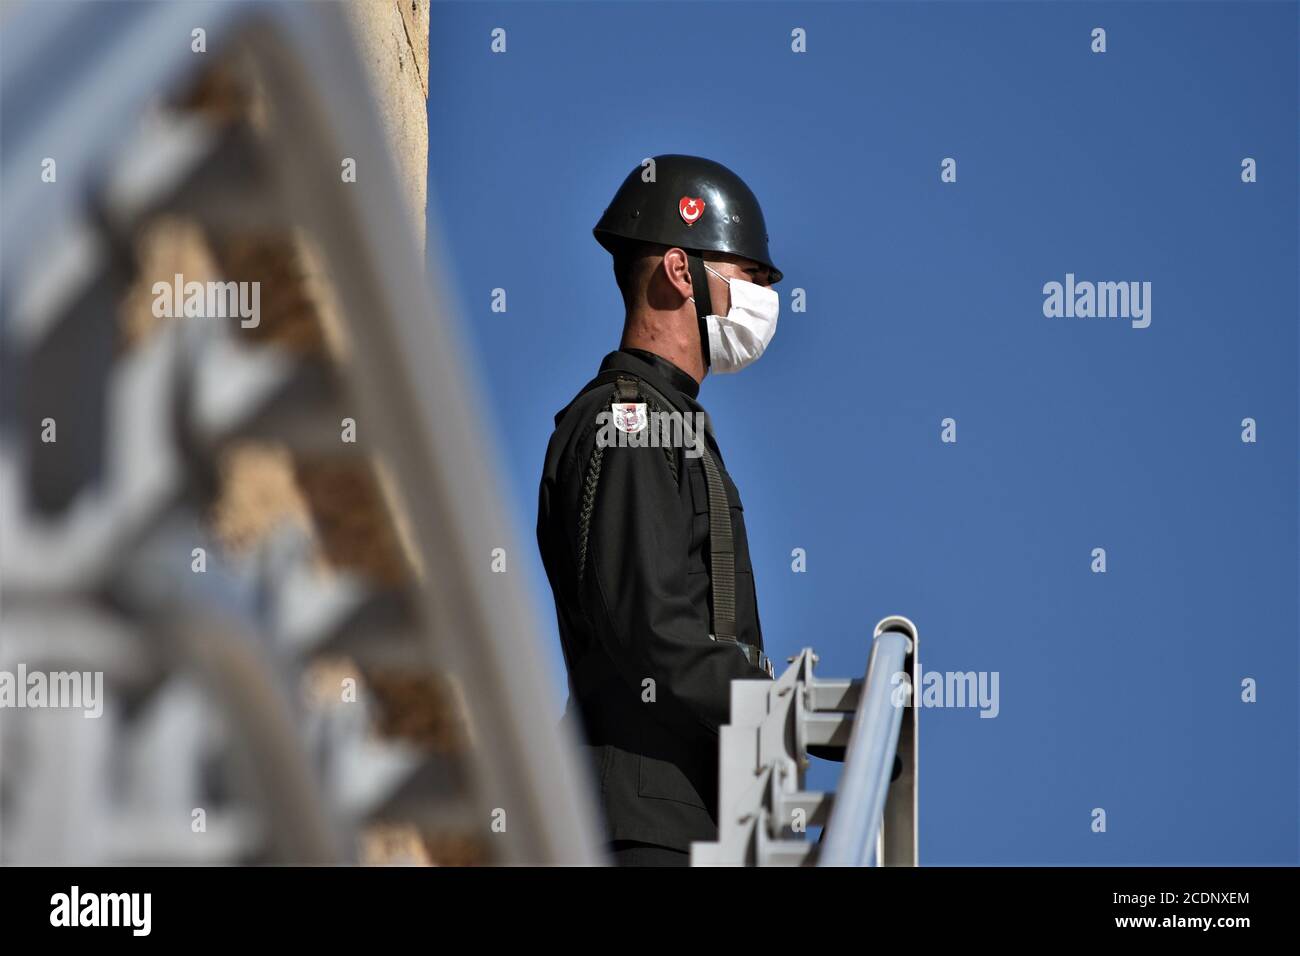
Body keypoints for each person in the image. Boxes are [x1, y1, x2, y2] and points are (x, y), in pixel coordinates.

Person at [537, 155, 783, 866]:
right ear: (680, 271)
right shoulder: (630, 421)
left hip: (693, 822)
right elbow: (652, 626)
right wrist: (778, 709)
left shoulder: (668, 421)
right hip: (643, 826)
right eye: (750, 275)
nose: (764, 298)